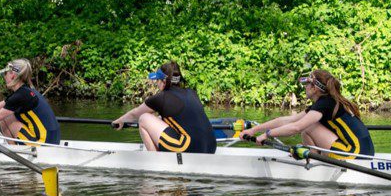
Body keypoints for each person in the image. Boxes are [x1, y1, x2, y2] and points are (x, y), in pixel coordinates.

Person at [242, 69, 374, 159]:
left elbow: (296, 127)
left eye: (306, 83)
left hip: (356, 154)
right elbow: (289, 120)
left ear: (315, 88)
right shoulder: (328, 102)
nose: (305, 87)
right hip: (365, 152)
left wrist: (266, 135)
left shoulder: (325, 104)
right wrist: (254, 129)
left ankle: (312, 159)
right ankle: (313, 156)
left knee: (307, 126)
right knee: (306, 127)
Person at [111, 61, 217, 154]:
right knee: (161, 119)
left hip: (188, 147)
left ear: (164, 82)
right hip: (211, 146)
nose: (156, 83)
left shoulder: (161, 98)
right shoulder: (192, 93)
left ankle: (156, 161)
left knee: (144, 118)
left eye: (157, 80)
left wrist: (120, 121)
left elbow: (135, 114)